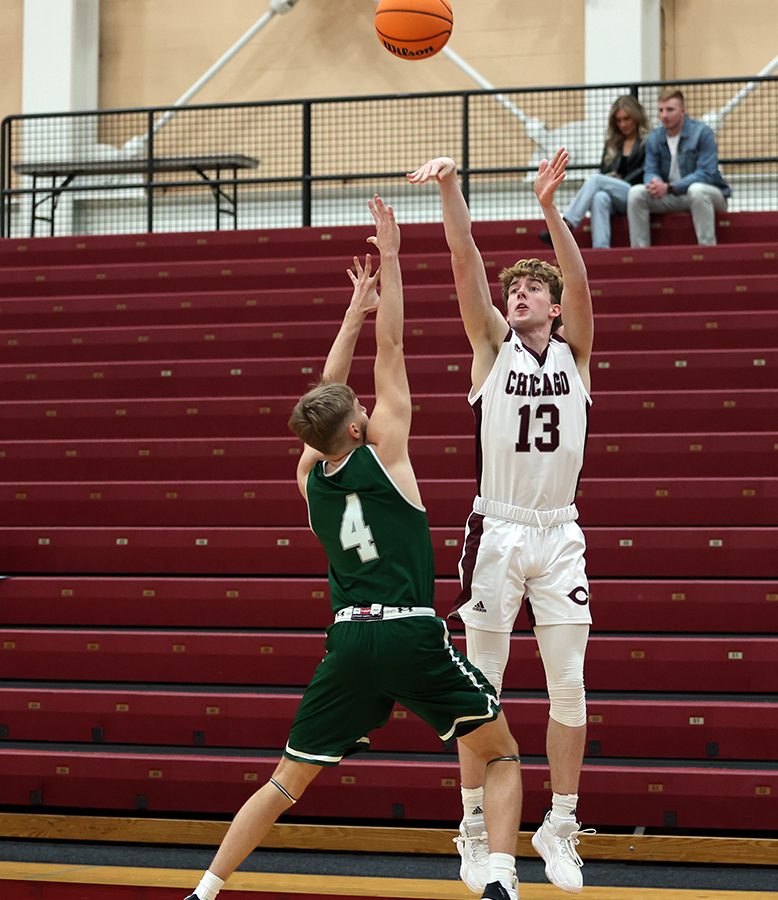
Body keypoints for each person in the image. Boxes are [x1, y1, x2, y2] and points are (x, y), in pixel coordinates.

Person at [181, 197, 525, 900]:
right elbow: (391, 350)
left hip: (346, 641)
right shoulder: (388, 453)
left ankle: (205, 890)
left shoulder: (309, 478)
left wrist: (349, 315)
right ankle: (499, 879)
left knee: (285, 780)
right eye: (361, 407)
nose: (368, 404)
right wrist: (392, 263)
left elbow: (326, 398)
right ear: (361, 427)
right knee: (500, 755)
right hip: (407, 633)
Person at [408, 150, 595, 894]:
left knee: (569, 687)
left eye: (531, 289)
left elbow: (579, 280)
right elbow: (465, 262)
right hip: (498, 529)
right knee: (480, 690)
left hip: (560, 533)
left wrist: (551, 208)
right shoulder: (491, 348)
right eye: (514, 288)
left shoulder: (577, 352)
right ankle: (476, 824)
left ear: (553, 307)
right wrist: (452, 189)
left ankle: (561, 824)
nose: (518, 294)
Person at [539, 95, 649, 249]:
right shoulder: (613, 143)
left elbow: (647, 170)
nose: (623, 124)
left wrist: (618, 180)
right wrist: (611, 177)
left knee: (596, 180)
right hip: (615, 197)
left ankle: (566, 224)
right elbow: (604, 170)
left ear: (636, 117)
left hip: (636, 194)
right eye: (618, 120)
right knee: (599, 197)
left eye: (627, 119)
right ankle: (601, 249)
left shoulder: (648, 141)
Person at [626, 88, 731, 247]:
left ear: (683, 111)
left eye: (670, 110)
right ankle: (640, 253)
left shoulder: (702, 133)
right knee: (636, 193)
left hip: (708, 195)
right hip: (670, 195)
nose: (664, 115)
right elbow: (650, 169)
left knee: (697, 190)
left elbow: (706, 173)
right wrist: (655, 182)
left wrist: (670, 187)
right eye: (661, 110)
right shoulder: (654, 137)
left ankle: (708, 250)